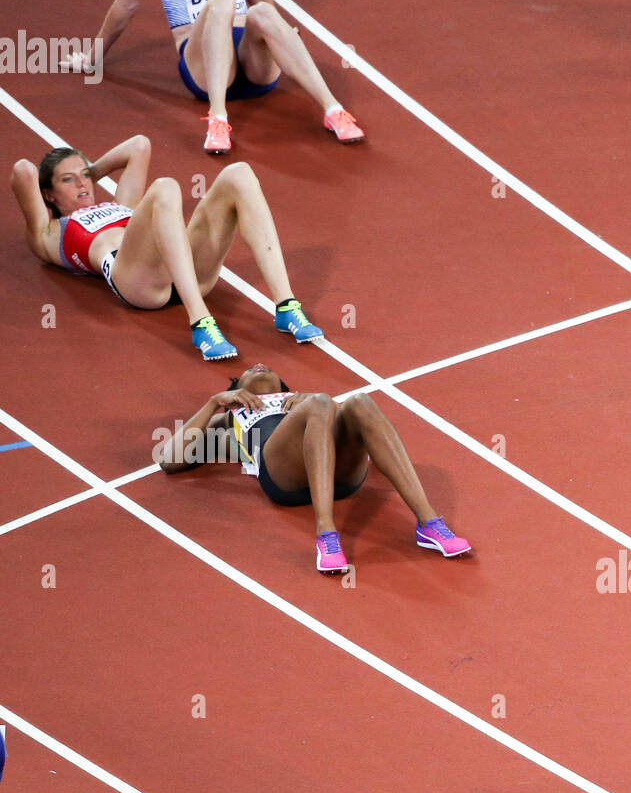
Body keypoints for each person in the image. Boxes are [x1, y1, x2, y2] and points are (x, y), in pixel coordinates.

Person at [11, 134, 323, 362]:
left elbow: (140, 144)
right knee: (165, 188)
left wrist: (89, 171)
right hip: (138, 282)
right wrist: (59, 174)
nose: (82, 184)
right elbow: (23, 170)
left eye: (85, 177)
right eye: (68, 180)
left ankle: (286, 307)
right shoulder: (49, 233)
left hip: (187, 269)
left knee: (238, 173)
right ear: (48, 195)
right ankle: (201, 323)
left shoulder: (123, 204)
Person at [155, 363, 472, 573]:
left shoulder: (307, 401)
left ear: (284, 386)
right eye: (250, 369)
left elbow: (367, 443)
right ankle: (326, 533)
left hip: (340, 476)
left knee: (360, 400)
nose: (260, 365)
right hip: (283, 479)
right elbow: (169, 459)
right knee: (321, 402)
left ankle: (429, 523)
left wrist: (325, 405)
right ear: (239, 387)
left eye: (268, 367)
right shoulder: (229, 418)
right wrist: (214, 401)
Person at [66, 0, 363, 154]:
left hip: (251, 64)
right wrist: (93, 57)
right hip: (202, 67)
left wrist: (282, 32)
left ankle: (334, 112)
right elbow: (127, 3)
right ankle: (218, 119)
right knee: (220, 1)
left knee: (263, 13)